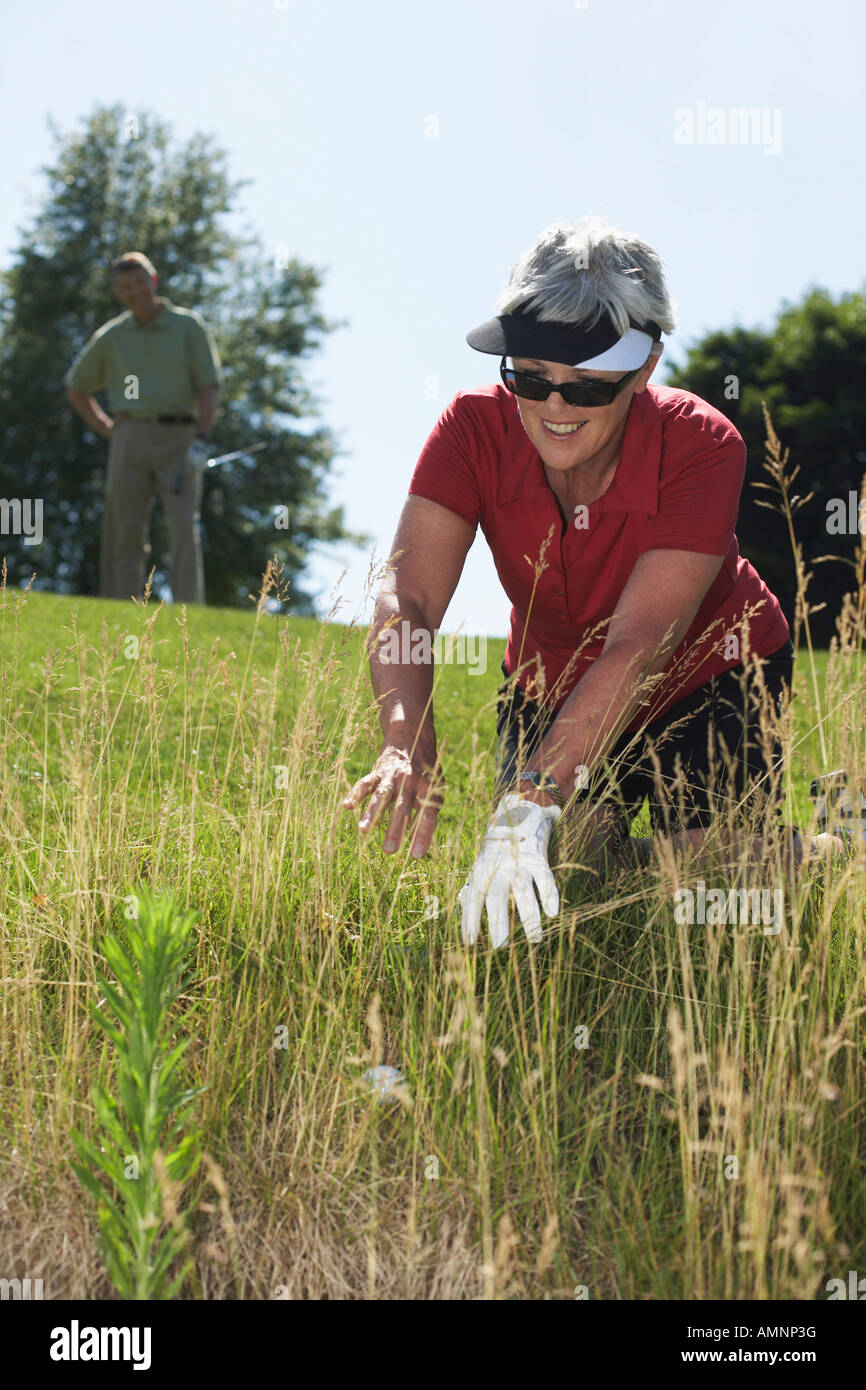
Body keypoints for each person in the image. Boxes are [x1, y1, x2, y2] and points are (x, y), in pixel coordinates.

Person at [342, 216, 847, 948]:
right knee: (574, 872)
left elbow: (639, 645)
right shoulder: (470, 429)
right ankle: (629, 857)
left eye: (587, 391)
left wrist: (531, 799)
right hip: (550, 682)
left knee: (714, 888)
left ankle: (827, 850)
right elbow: (410, 597)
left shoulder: (703, 444)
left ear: (644, 370)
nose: (553, 408)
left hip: (708, 672)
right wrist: (404, 736)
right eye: (532, 379)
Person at [65, 251, 222, 604]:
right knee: (125, 529)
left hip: (182, 437)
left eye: (139, 282)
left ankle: (189, 612)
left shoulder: (188, 326)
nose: (134, 291)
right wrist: (107, 427)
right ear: (118, 293)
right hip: (129, 437)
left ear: (153, 281)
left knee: (183, 528)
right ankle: (121, 607)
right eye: (125, 287)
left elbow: (208, 386)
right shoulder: (113, 335)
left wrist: (202, 439)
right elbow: (76, 387)